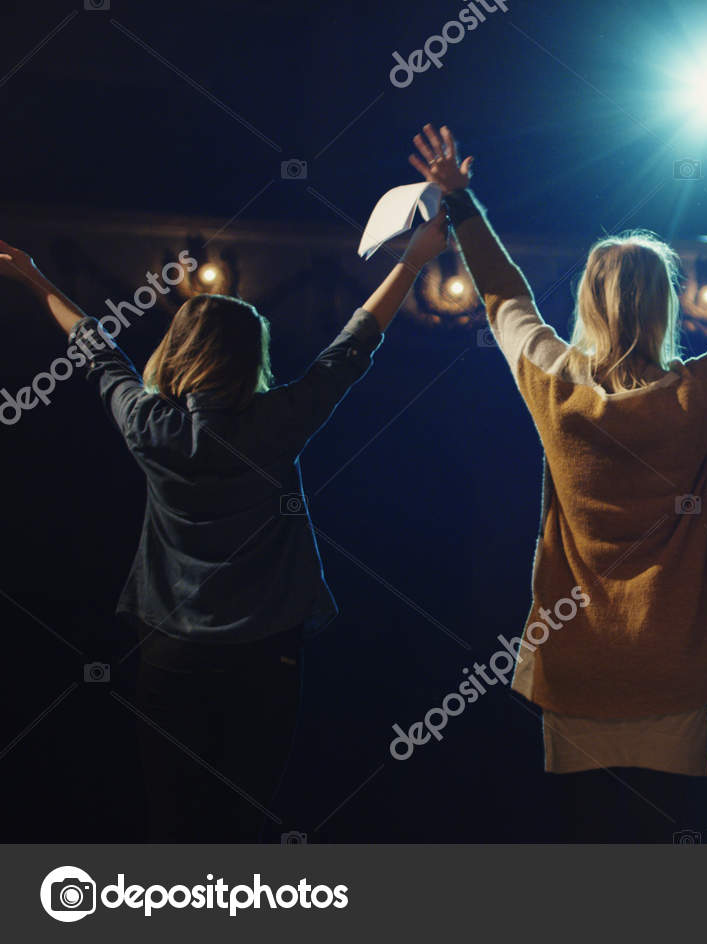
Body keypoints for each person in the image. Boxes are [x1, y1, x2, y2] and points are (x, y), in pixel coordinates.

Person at [404, 125, 707, 841]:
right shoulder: (696, 394)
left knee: (584, 841)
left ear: (589, 302)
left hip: (574, 662)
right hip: (674, 664)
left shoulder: (550, 381)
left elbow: (503, 297)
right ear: (665, 307)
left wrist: (461, 202)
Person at [0, 216, 451, 841]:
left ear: (178, 350)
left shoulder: (147, 423)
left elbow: (96, 351)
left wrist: (34, 279)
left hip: (171, 653)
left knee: (173, 823)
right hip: (266, 656)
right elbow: (353, 344)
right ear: (249, 358)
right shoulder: (279, 419)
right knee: (243, 826)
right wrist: (413, 261)